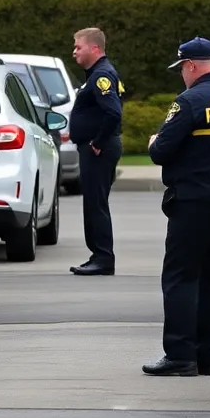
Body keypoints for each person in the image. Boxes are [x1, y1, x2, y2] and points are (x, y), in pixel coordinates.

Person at [143, 37, 210, 376]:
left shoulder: (189, 101)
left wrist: (153, 142)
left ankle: (180, 355)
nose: (182, 75)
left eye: (182, 69)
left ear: (191, 65)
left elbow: (161, 150)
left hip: (192, 202)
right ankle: (208, 357)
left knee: (180, 278)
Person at [67, 27, 123, 276]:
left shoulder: (101, 75)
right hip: (96, 147)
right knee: (93, 203)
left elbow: (113, 112)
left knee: (95, 204)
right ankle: (98, 256)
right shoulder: (96, 74)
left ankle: (103, 258)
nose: (74, 52)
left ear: (95, 48)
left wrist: (98, 143)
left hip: (98, 149)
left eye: (78, 47)